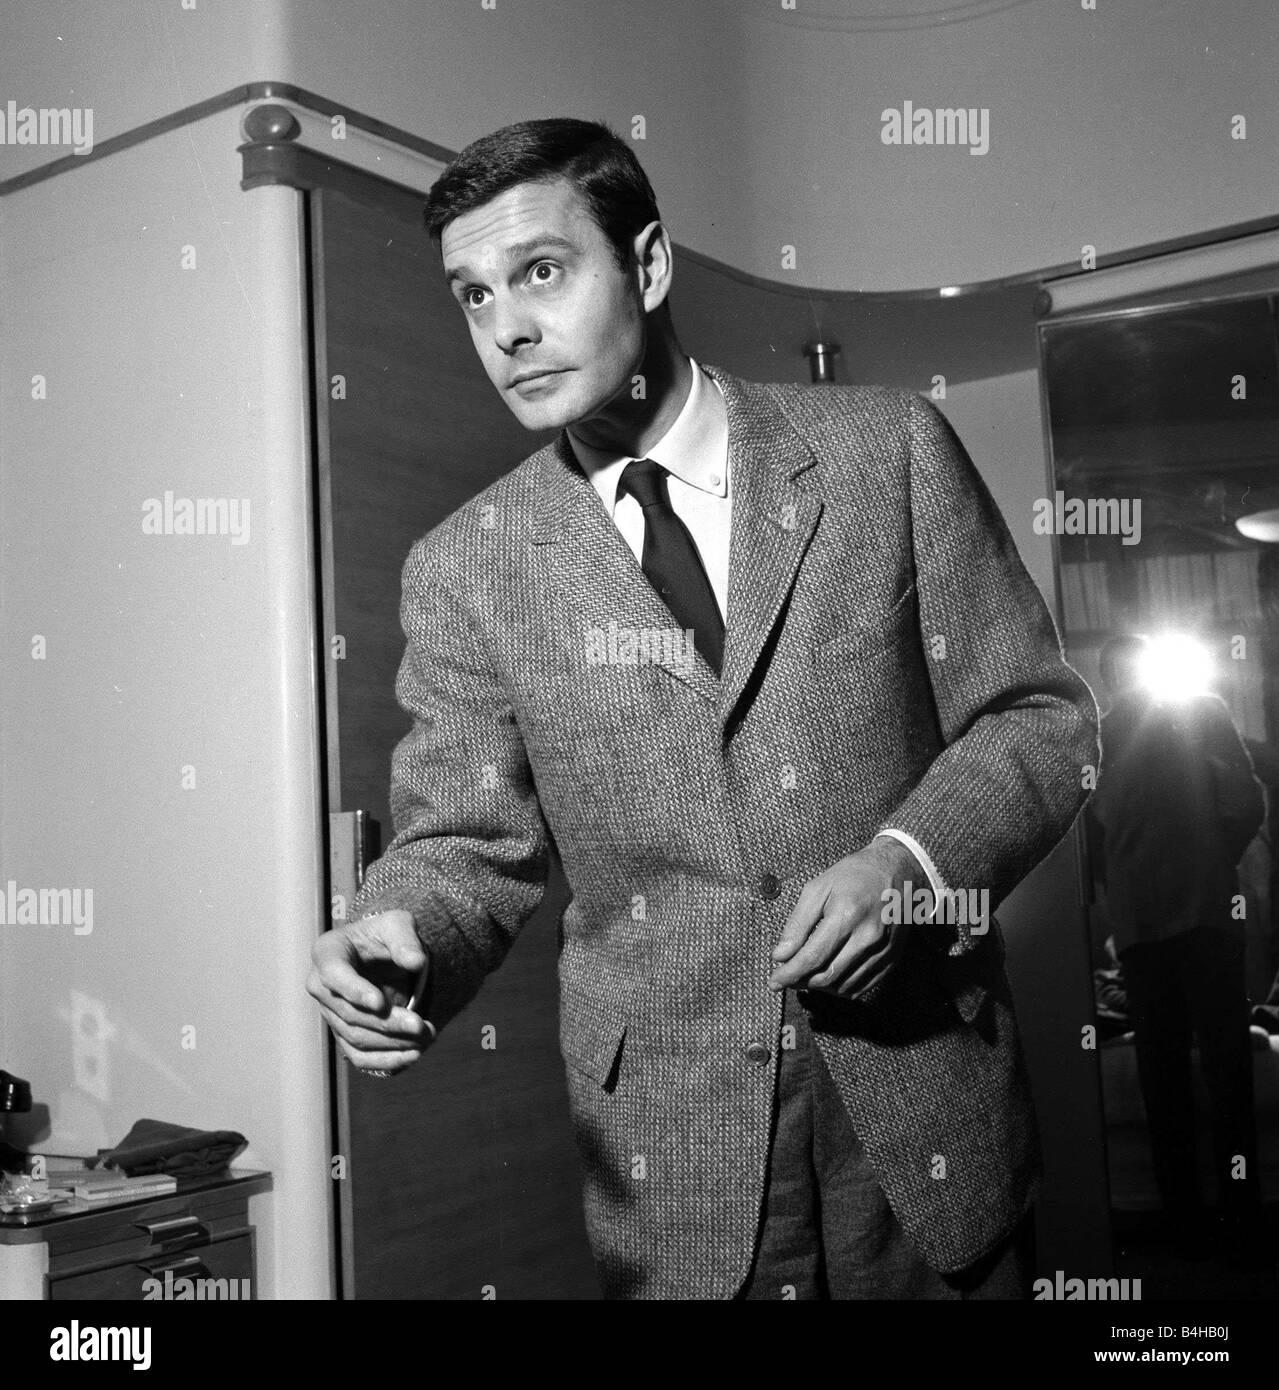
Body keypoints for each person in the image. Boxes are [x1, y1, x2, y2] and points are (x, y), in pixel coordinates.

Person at [306, 118, 1099, 1300]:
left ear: (650, 263)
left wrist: (910, 864)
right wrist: (400, 933)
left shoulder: (885, 451)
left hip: (928, 1120)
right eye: (472, 296)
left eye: (540, 272)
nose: (505, 327)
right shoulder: (467, 567)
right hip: (676, 1171)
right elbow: (463, 844)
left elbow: (1041, 716)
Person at [1086, 634, 1266, 1259]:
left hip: (1141, 929)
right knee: (1227, 1067)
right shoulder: (1205, 714)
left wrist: (1121, 886)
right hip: (1208, 914)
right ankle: (1242, 1219)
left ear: (1107, 681)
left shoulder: (1097, 740)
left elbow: (1089, 843)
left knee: (1161, 1075)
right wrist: (1216, 858)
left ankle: (1182, 1222)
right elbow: (1247, 804)